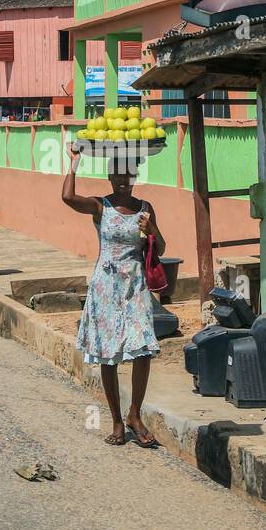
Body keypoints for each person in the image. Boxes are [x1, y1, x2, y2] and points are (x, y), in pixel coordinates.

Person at [61, 142, 163, 447]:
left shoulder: (145, 208)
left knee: (143, 349)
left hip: (135, 286)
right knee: (109, 356)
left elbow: (160, 248)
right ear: (109, 176)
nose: (122, 181)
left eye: (127, 175)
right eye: (117, 175)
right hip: (106, 287)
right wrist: (74, 163)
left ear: (134, 176)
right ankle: (117, 420)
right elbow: (67, 197)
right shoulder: (99, 206)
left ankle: (135, 414)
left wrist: (152, 229)